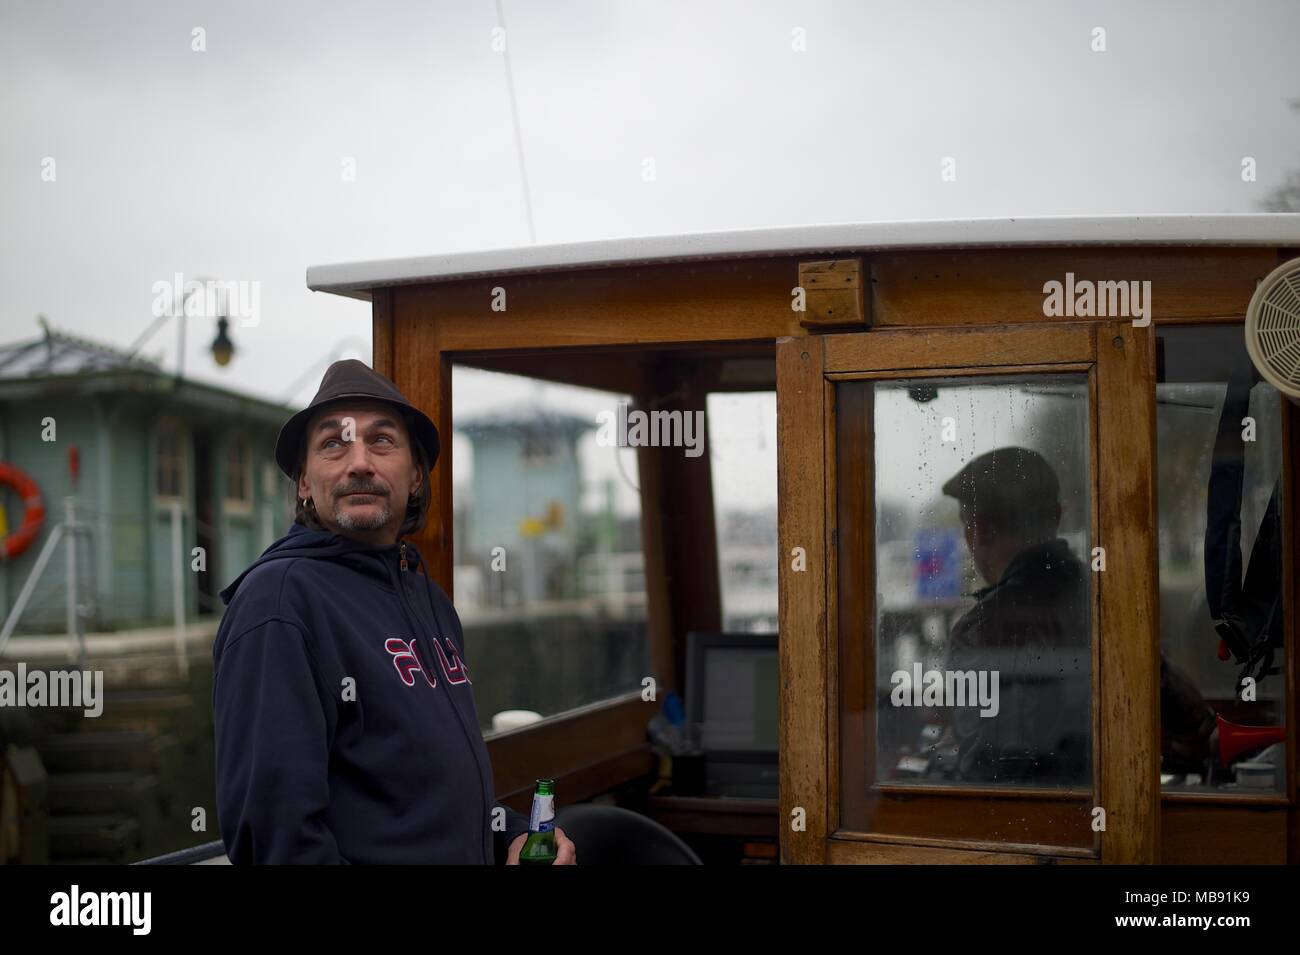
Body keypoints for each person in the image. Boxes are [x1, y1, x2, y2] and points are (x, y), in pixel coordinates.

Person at [212, 359, 576, 864]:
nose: (358, 462)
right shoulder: (279, 604)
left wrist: (508, 833)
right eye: (333, 444)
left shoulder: (430, 602)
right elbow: (278, 842)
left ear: (416, 476)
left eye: (381, 441)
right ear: (303, 482)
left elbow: (423, 798)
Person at [939, 446, 1090, 785]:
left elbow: (985, 775)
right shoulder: (1112, 602)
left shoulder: (977, 630)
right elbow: (1192, 724)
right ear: (1056, 516)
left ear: (977, 529)